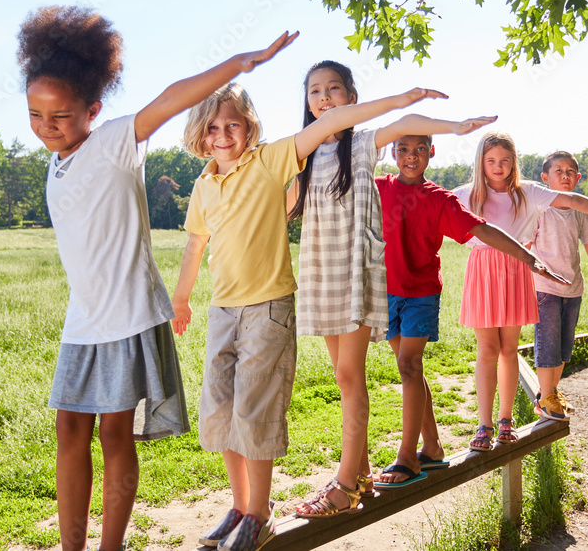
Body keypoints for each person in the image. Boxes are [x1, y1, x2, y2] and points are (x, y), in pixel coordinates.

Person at [19, 3, 296, 551]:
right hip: (83, 320)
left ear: (93, 109)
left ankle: (110, 546)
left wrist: (244, 61)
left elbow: (174, 97)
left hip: (127, 315)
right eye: (36, 115)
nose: (48, 127)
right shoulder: (56, 161)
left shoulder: (117, 141)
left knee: (115, 432)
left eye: (61, 116)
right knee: (68, 431)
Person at [172, 79, 450, 548]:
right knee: (221, 413)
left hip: (270, 308)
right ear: (201, 133)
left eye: (233, 125)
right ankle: (240, 507)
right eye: (213, 127)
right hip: (223, 309)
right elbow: (196, 242)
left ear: (250, 128)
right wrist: (182, 298)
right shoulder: (204, 185)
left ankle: (260, 514)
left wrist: (404, 100)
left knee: (255, 412)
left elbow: (336, 121)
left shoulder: (269, 160)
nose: (222, 135)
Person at [287, 60, 477, 518]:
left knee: (351, 377)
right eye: (316, 91)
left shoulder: (362, 146)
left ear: (352, 98)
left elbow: (406, 124)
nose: (325, 97)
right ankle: (363, 471)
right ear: (307, 102)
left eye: (335, 88)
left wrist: (450, 123)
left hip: (355, 275)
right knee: (341, 376)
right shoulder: (303, 154)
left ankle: (346, 483)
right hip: (320, 273)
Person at [374, 134, 568, 487]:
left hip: (421, 292)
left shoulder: (441, 199)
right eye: (402, 149)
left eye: (420, 149)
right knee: (409, 369)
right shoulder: (379, 187)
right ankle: (431, 448)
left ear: (431, 152)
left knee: (410, 364)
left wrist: (529, 259)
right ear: (391, 152)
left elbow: (481, 229)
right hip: (385, 292)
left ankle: (408, 456)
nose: (411, 156)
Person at [453, 132, 588, 452]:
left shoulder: (528, 192)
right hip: (482, 270)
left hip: (516, 270)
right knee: (487, 350)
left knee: (508, 349)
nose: (498, 167)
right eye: (491, 161)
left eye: (505, 161)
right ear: (480, 164)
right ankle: (483, 425)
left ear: (515, 163)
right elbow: (428, 210)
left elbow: (573, 201)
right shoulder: (465, 194)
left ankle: (505, 421)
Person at [530, 151, 588, 420]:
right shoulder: (539, 210)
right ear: (545, 178)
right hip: (545, 288)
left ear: (577, 178)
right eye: (558, 171)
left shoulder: (581, 211)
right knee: (547, 343)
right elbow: (525, 247)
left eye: (570, 172)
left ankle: (552, 392)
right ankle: (544, 399)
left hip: (573, 289)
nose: (564, 175)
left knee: (565, 346)